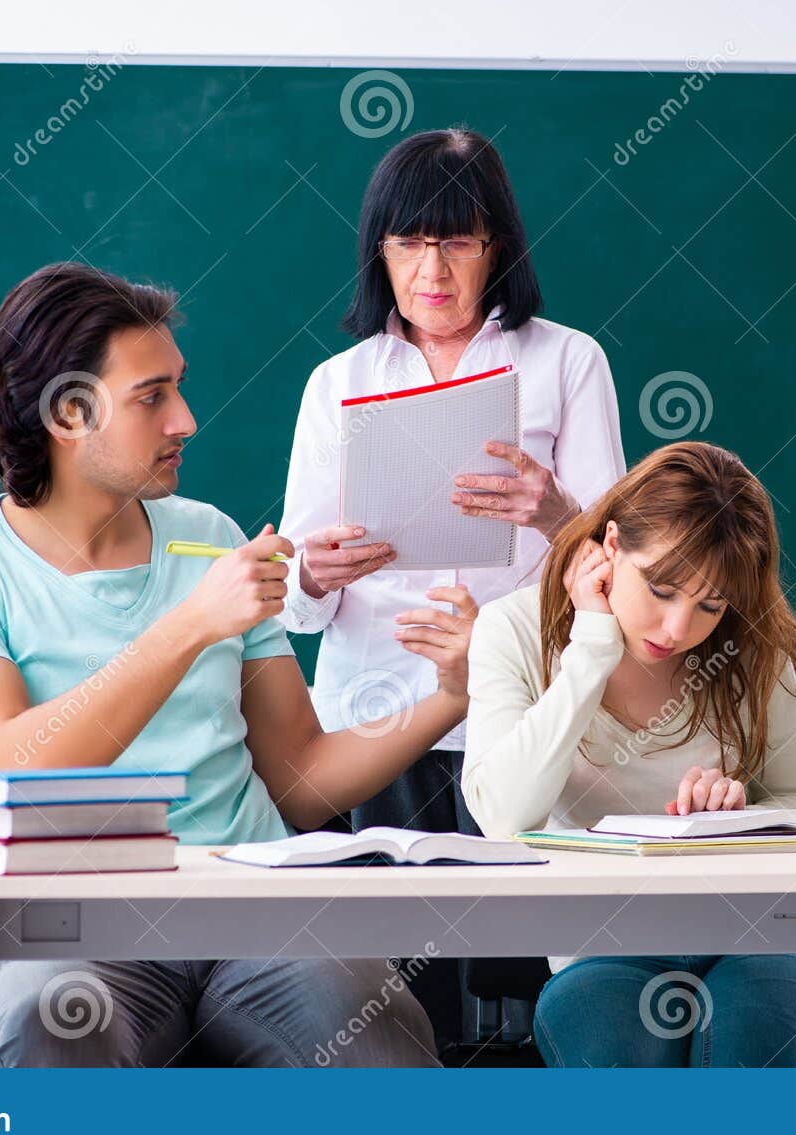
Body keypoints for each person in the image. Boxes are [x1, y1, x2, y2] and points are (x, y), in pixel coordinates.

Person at [0, 261, 478, 1067]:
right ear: (67, 413)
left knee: (368, 1025)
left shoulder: (209, 536)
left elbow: (298, 779)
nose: (187, 420)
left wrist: (448, 697)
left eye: (180, 387)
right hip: (66, 926)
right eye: (152, 396)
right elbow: (6, 770)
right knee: (60, 1022)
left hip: (248, 913)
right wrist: (191, 625)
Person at [278, 127, 625, 1046]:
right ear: (380, 252)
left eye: (457, 241)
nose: (432, 269)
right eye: (409, 243)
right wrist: (315, 571)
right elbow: (297, 601)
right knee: (379, 998)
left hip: (519, 716)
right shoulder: (337, 382)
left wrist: (556, 515)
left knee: (517, 992)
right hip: (372, 723)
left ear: (496, 247)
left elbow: (620, 575)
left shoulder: (567, 362)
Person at [460, 441, 796, 1067]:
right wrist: (591, 648)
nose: (676, 629)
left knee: (753, 1047)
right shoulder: (512, 629)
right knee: (621, 1051)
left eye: (710, 605)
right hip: (601, 947)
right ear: (609, 545)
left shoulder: (749, 650)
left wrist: (740, 817)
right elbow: (505, 817)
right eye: (662, 588)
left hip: (759, 938)